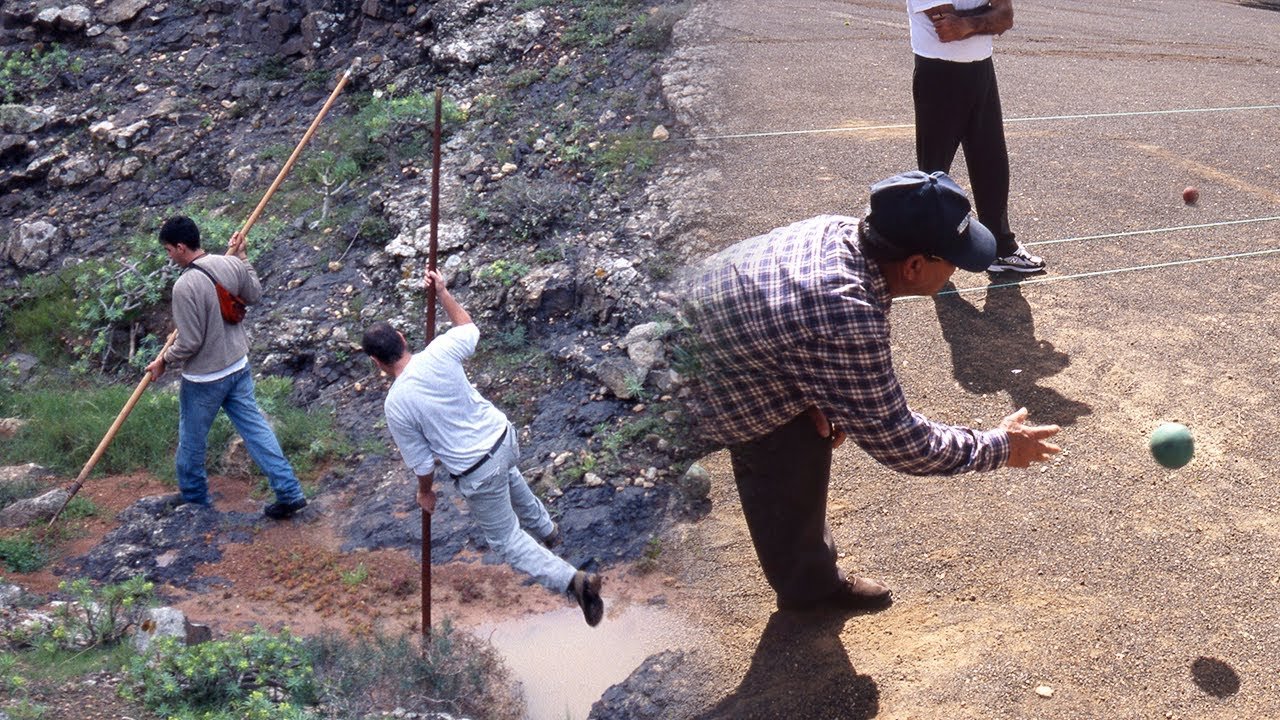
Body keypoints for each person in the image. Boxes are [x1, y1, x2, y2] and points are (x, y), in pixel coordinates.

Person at [680, 170, 1061, 613]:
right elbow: (906, 445)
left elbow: (791, 328)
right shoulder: (846, 313)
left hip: (699, 340)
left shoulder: (837, 230)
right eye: (952, 260)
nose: (956, 269)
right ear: (915, 266)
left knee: (802, 422)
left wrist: (818, 392)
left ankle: (810, 587)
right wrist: (1000, 446)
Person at [360, 269, 605, 627]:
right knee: (506, 472)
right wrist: (443, 292)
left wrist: (425, 494)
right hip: (504, 438)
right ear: (401, 338)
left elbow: (422, 463)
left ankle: (574, 582)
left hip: (478, 468)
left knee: (505, 540)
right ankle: (548, 530)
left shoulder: (395, 404)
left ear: (377, 363)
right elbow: (468, 327)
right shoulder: (440, 350)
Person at [145, 216, 308, 519]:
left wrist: (164, 360)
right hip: (238, 365)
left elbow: (190, 342)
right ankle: (290, 492)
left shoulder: (184, 286)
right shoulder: (229, 263)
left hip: (204, 379)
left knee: (192, 440)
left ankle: (195, 501)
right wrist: (244, 258)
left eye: (168, 250)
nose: (168, 256)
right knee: (256, 430)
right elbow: (255, 295)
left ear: (181, 247)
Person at [908, 0, 1046, 274]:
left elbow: (1005, 17)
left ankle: (1000, 248)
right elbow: (947, 28)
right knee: (934, 172)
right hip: (938, 72)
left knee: (991, 161)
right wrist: (984, 18)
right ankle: (931, 252)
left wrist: (968, 22)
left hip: (981, 69)